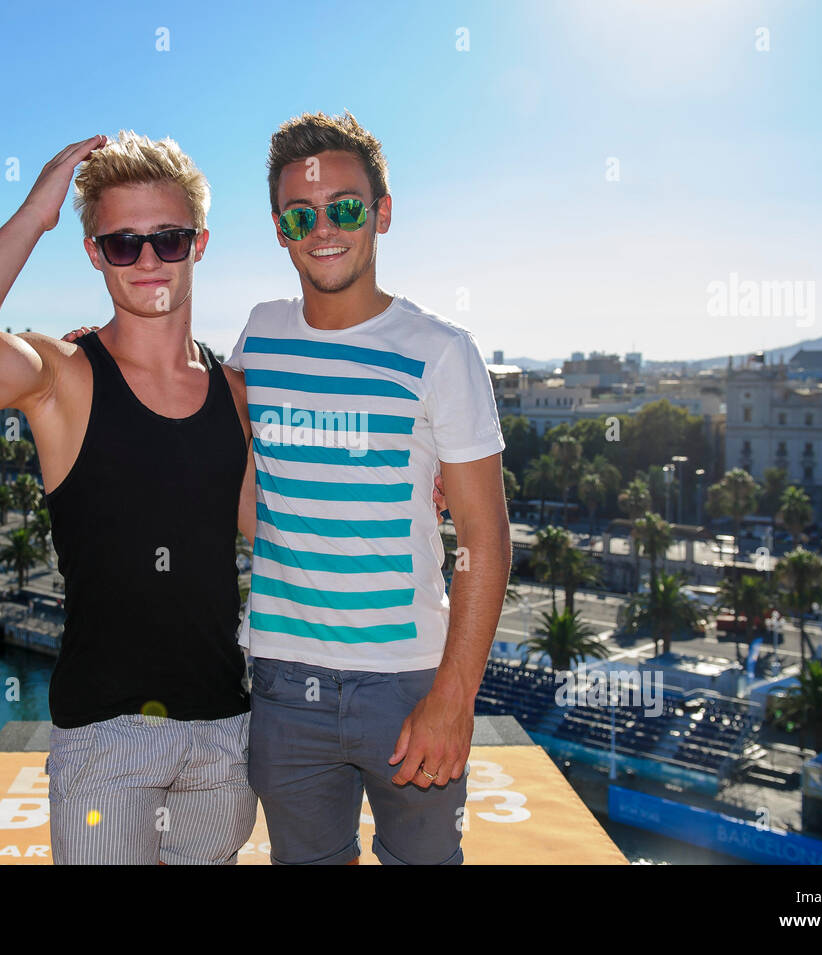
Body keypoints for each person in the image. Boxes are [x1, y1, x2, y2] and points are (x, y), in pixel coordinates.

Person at [0, 130, 259, 865]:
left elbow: (276, 526)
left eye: (168, 239)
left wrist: (421, 479)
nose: (149, 260)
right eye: (123, 244)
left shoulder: (233, 392)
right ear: (94, 253)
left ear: (200, 243)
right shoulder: (64, 374)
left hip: (227, 731)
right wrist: (37, 213)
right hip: (107, 735)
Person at [225, 111, 512, 865]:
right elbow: (213, 452)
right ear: (282, 230)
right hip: (286, 683)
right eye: (301, 214)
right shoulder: (258, 336)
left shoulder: (442, 352)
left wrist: (454, 697)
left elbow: (485, 541)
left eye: (346, 207)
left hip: (411, 682)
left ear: (381, 213)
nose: (325, 227)